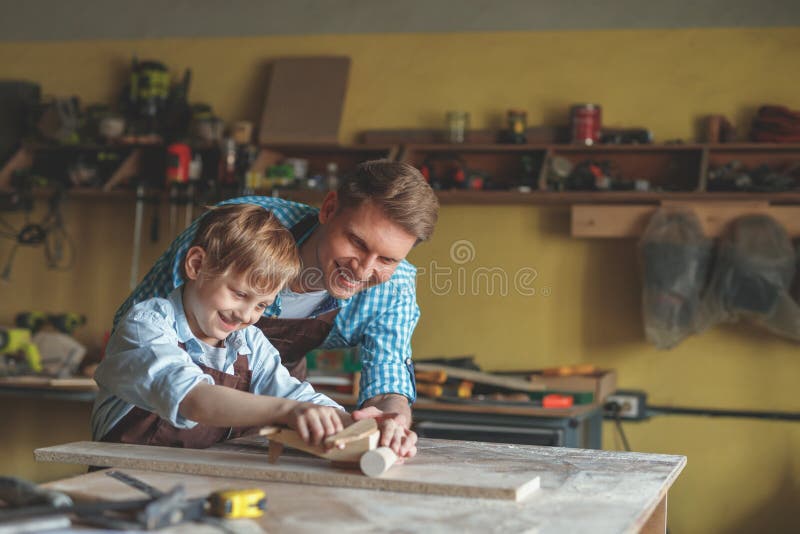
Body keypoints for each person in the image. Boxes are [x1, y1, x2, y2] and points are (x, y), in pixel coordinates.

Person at [113, 160, 440, 458]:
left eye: (387, 259)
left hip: (235, 447)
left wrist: (379, 425)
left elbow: (384, 382)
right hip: (144, 436)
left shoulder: (251, 345)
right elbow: (151, 338)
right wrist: (284, 411)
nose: (363, 270)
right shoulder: (239, 234)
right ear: (329, 209)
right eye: (357, 242)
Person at [93, 204, 348, 448]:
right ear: (196, 264)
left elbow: (295, 395)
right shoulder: (146, 327)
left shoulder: (249, 343)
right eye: (239, 294)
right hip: (125, 483)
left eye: (261, 305)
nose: (246, 315)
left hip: (202, 484)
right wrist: (286, 410)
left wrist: (357, 423)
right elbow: (193, 399)